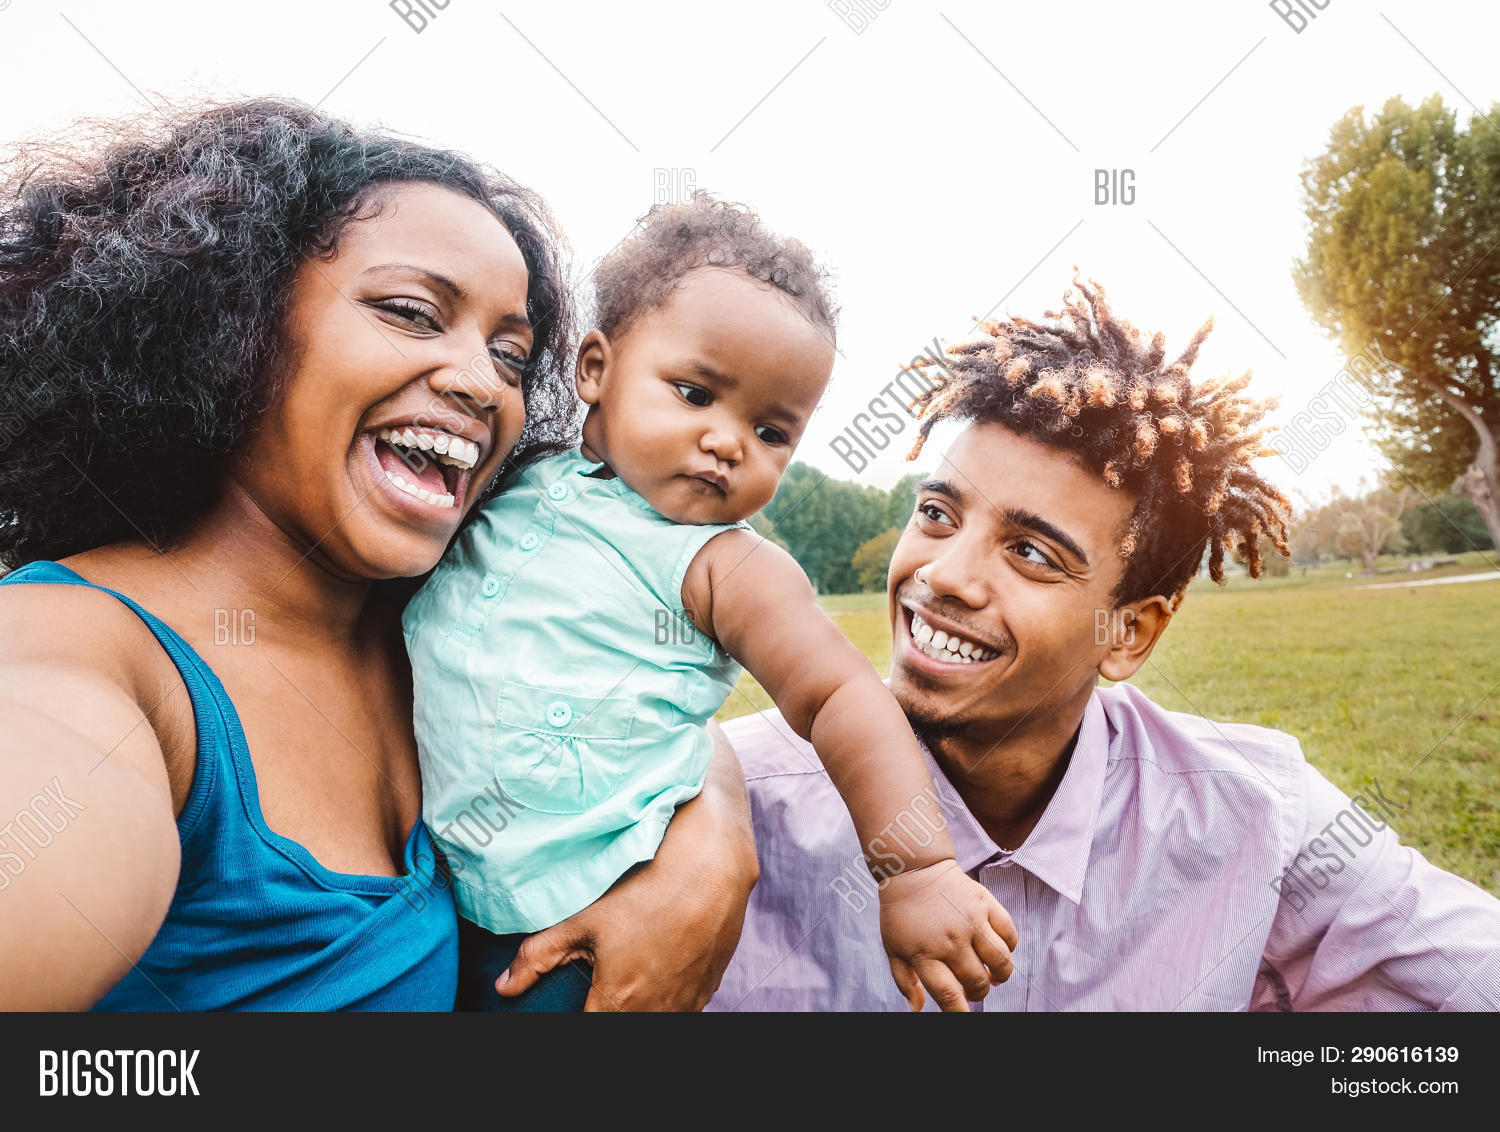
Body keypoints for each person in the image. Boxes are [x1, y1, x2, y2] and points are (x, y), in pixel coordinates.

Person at [0, 98, 757, 1011]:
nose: (482, 383)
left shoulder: (434, 625)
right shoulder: (71, 653)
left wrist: (716, 833)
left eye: (512, 356)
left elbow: (633, 691)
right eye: (410, 312)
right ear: (231, 323)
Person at [708, 279, 1500, 1011]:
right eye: (939, 515)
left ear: (1131, 631)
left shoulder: (1258, 820)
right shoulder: (730, 806)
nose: (944, 575)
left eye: (1030, 553)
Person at [404, 194, 1017, 1013]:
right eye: (695, 394)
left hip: (584, 921)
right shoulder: (513, 479)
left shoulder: (726, 566)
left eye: (771, 431)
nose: (730, 442)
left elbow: (840, 695)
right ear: (597, 370)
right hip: (426, 891)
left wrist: (918, 870)